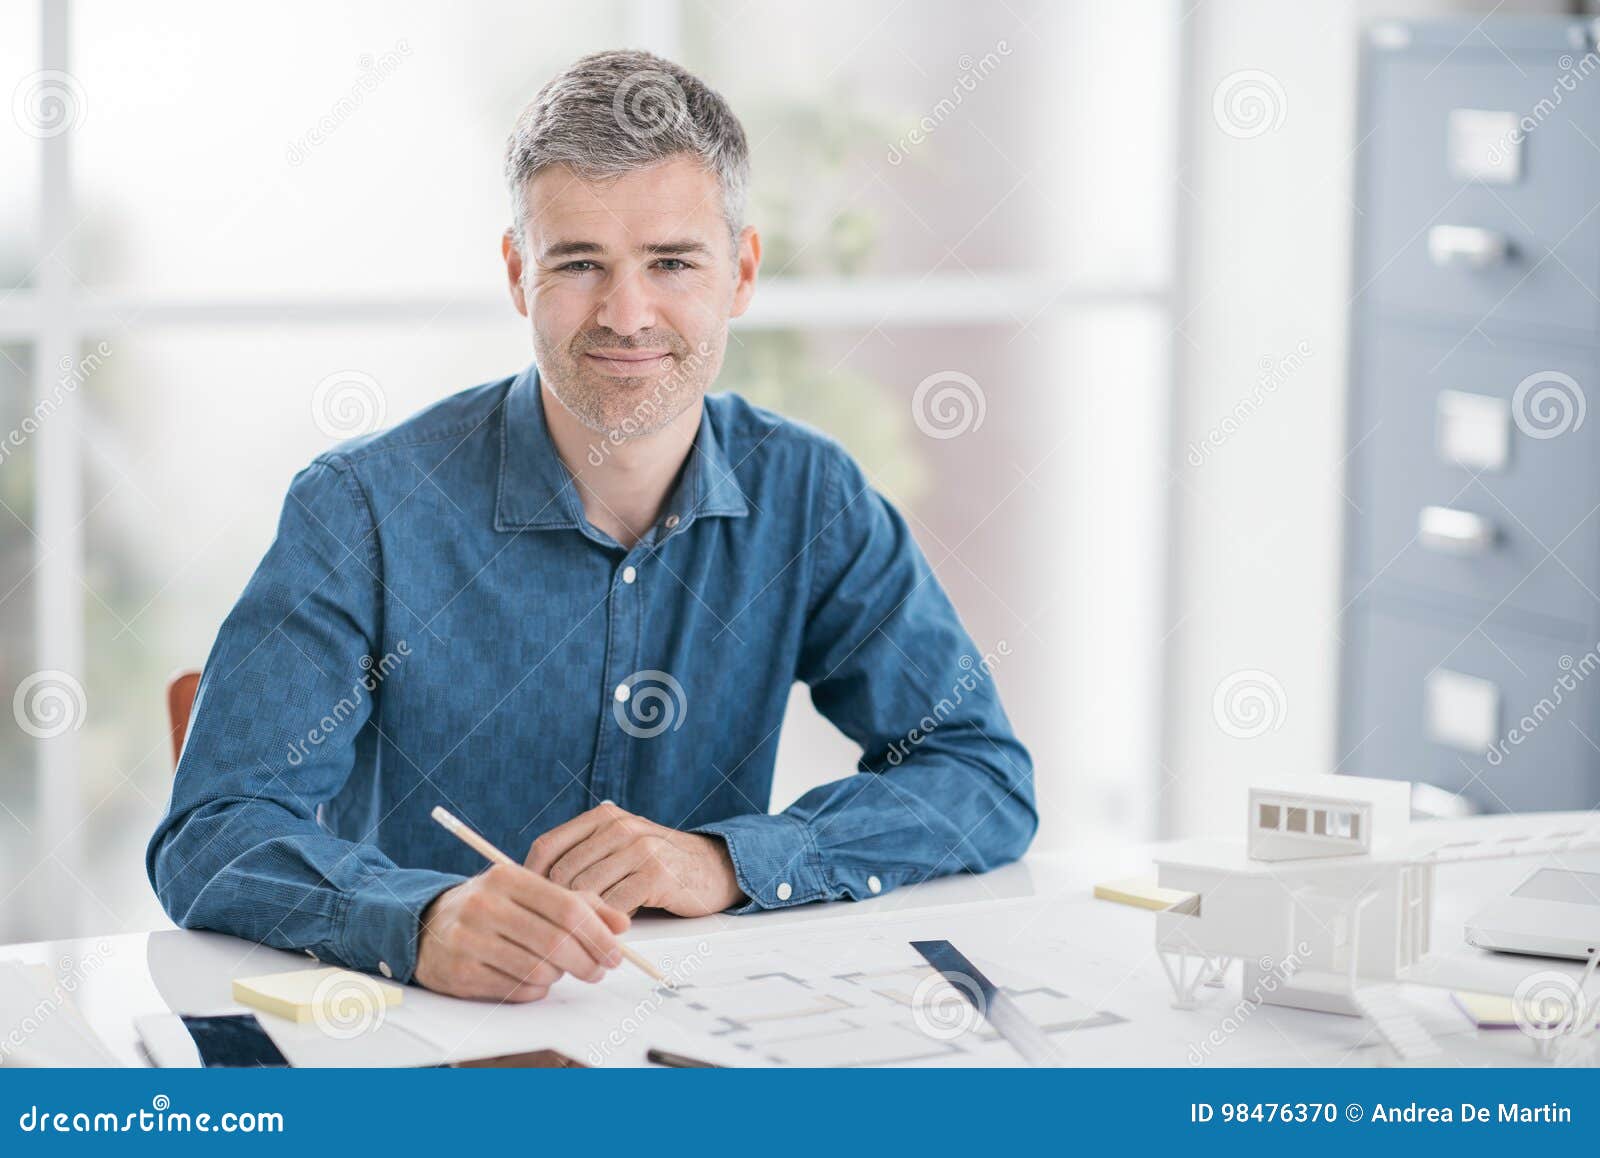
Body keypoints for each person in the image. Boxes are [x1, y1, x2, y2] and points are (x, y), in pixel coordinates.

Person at [147, 49, 1035, 1003]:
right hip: (430, 1045)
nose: (626, 313)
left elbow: (980, 777)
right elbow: (214, 831)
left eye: (671, 263)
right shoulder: (362, 507)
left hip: (696, 1042)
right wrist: (415, 920)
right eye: (579, 263)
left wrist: (727, 862)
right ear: (518, 272)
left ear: (739, 273)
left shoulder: (809, 493)